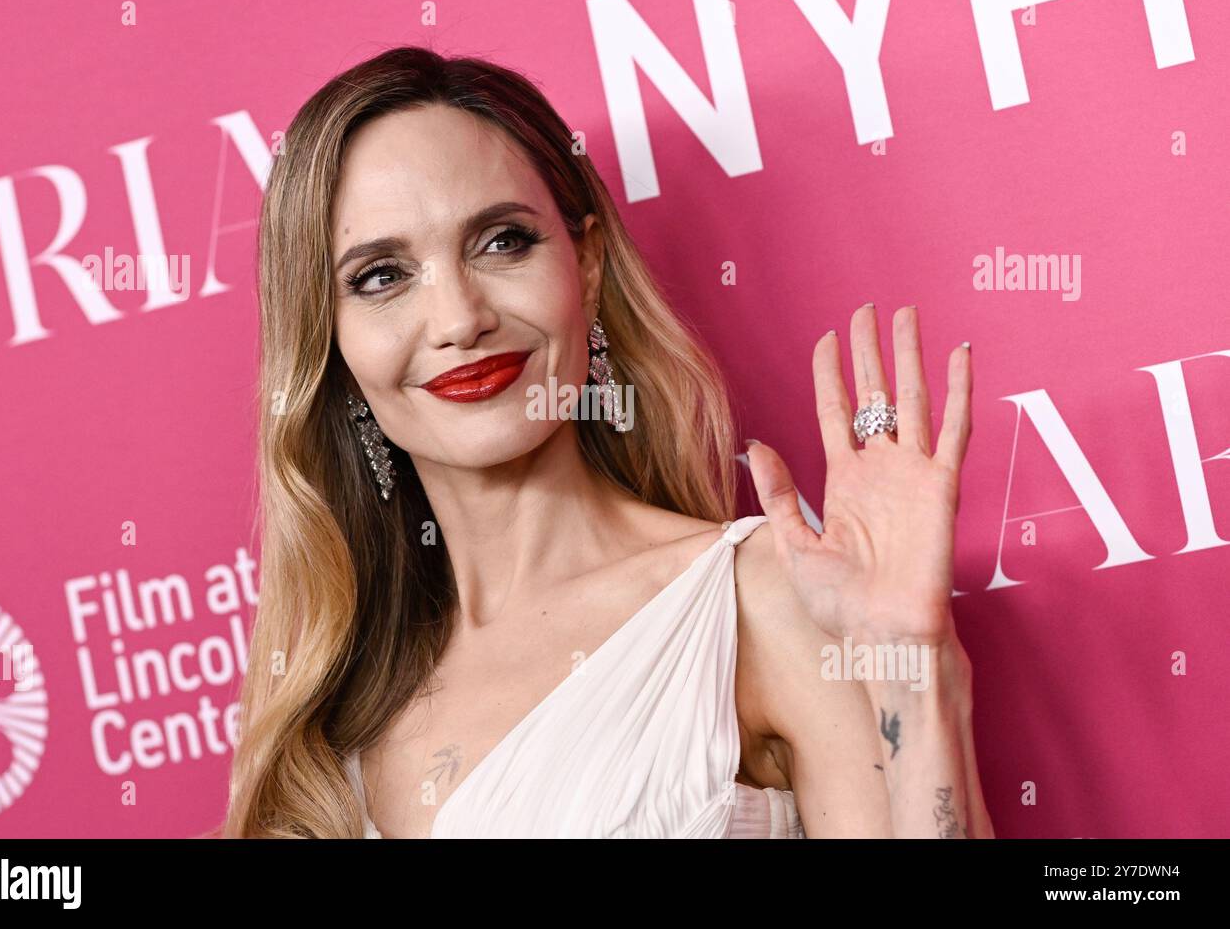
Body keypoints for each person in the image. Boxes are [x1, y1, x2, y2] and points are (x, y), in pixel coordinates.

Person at [222, 45, 991, 839]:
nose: (459, 319)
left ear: (584, 267)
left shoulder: (757, 599)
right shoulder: (325, 721)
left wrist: (912, 666)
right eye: (381, 276)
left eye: (502, 242)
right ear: (331, 344)